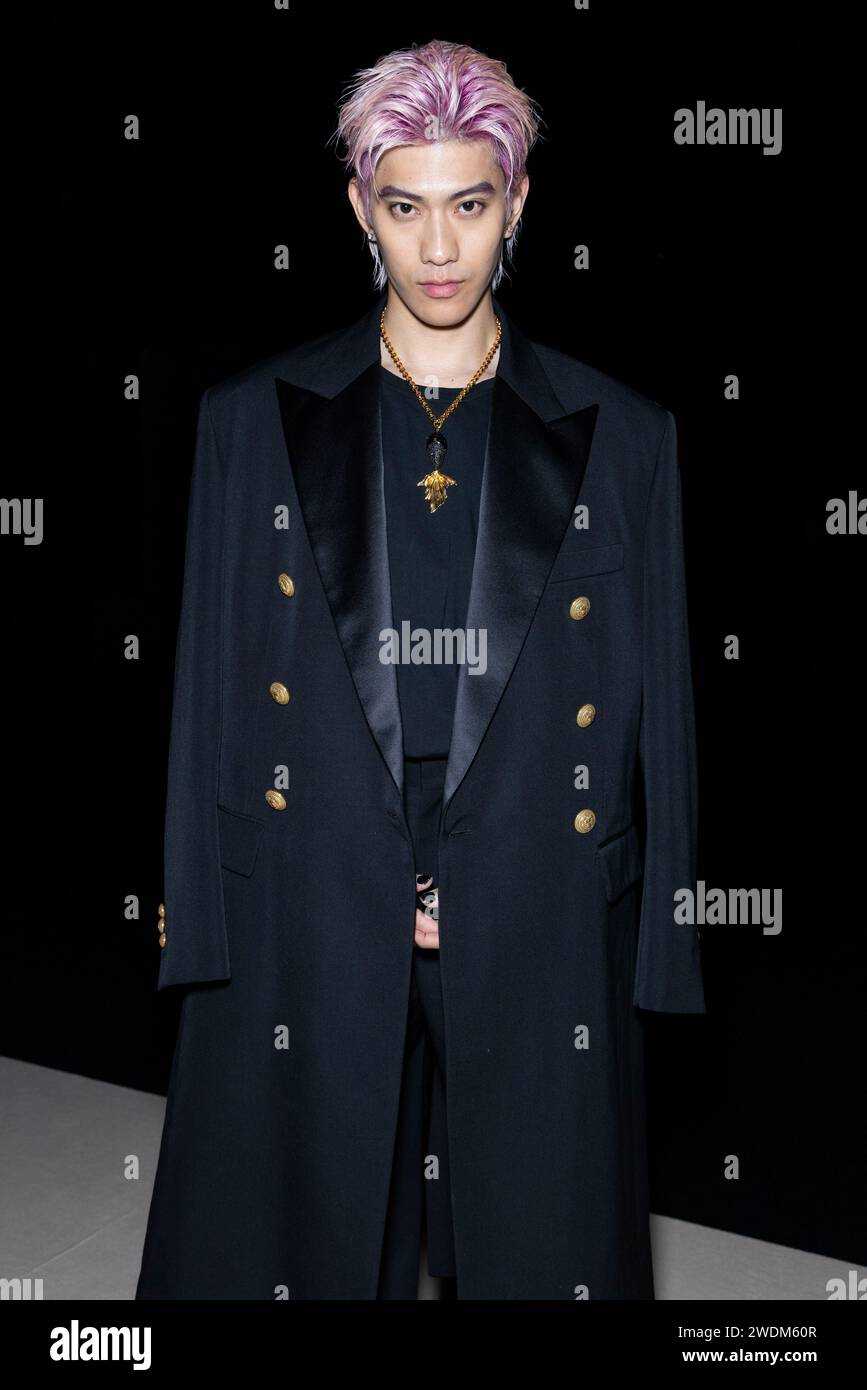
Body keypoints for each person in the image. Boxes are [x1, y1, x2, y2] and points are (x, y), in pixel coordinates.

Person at [136, 38, 705, 1303]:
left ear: (517, 203)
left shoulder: (627, 438)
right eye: (405, 207)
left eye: (469, 204)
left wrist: (661, 940)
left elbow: (658, 709)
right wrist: (201, 920)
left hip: (540, 903)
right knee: (297, 1242)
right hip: (312, 882)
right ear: (358, 207)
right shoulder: (252, 419)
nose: (439, 251)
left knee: (540, 1246)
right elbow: (206, 694)